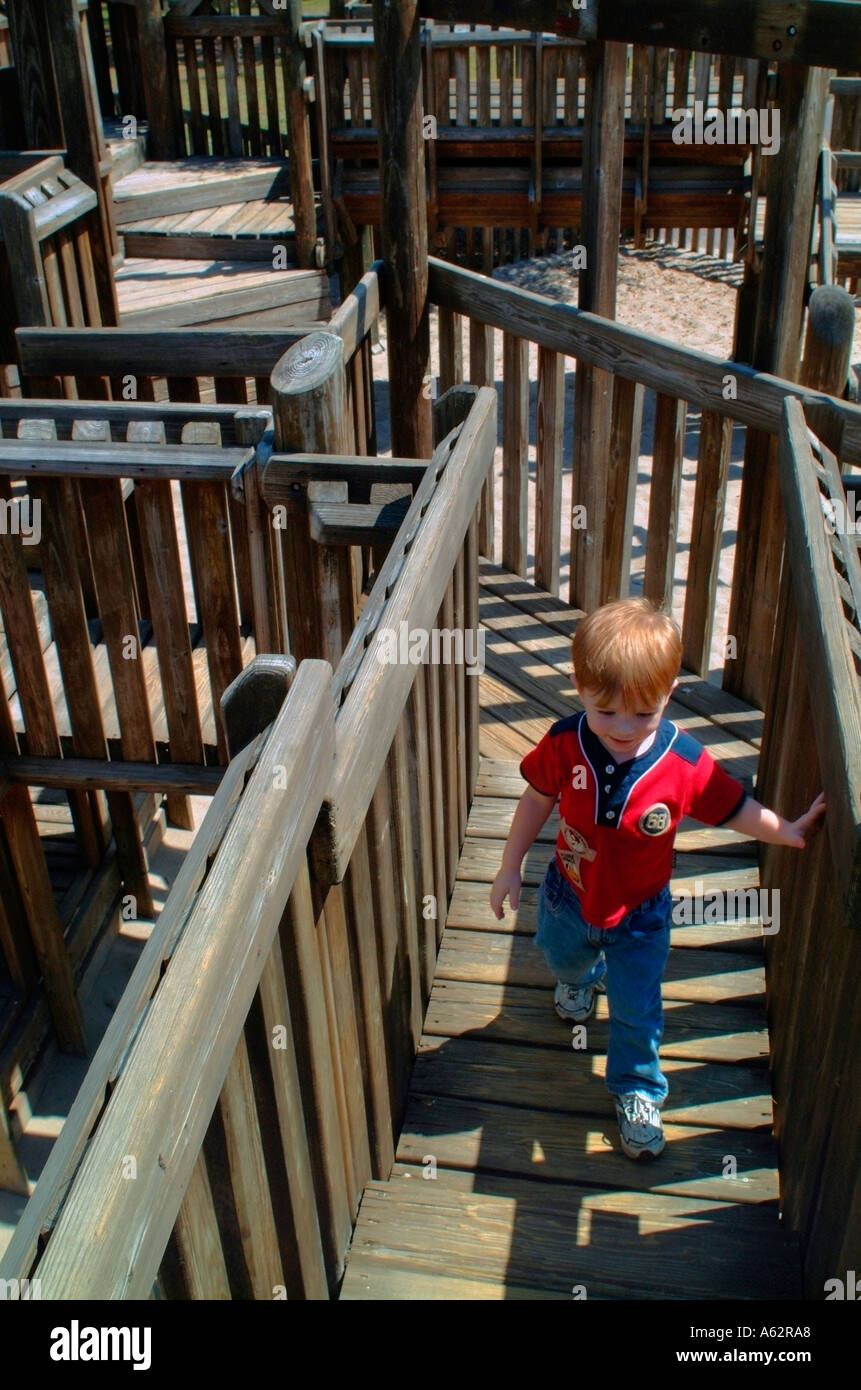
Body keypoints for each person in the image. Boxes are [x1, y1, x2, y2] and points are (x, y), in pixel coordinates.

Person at [489, 597, 825, 1160]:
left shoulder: (683, 762)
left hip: (642, 914)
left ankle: (638, 1091)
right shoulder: (565, 742)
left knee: (637, 1010)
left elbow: (731, 805)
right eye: (606, 712)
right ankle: (578, 977)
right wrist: (508, 865)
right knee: (561, 957)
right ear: (578, 686)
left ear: (668, 694)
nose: (624, 728)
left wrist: (784, 830)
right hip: (567, 895)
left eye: (643, 714)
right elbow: (536, 798)